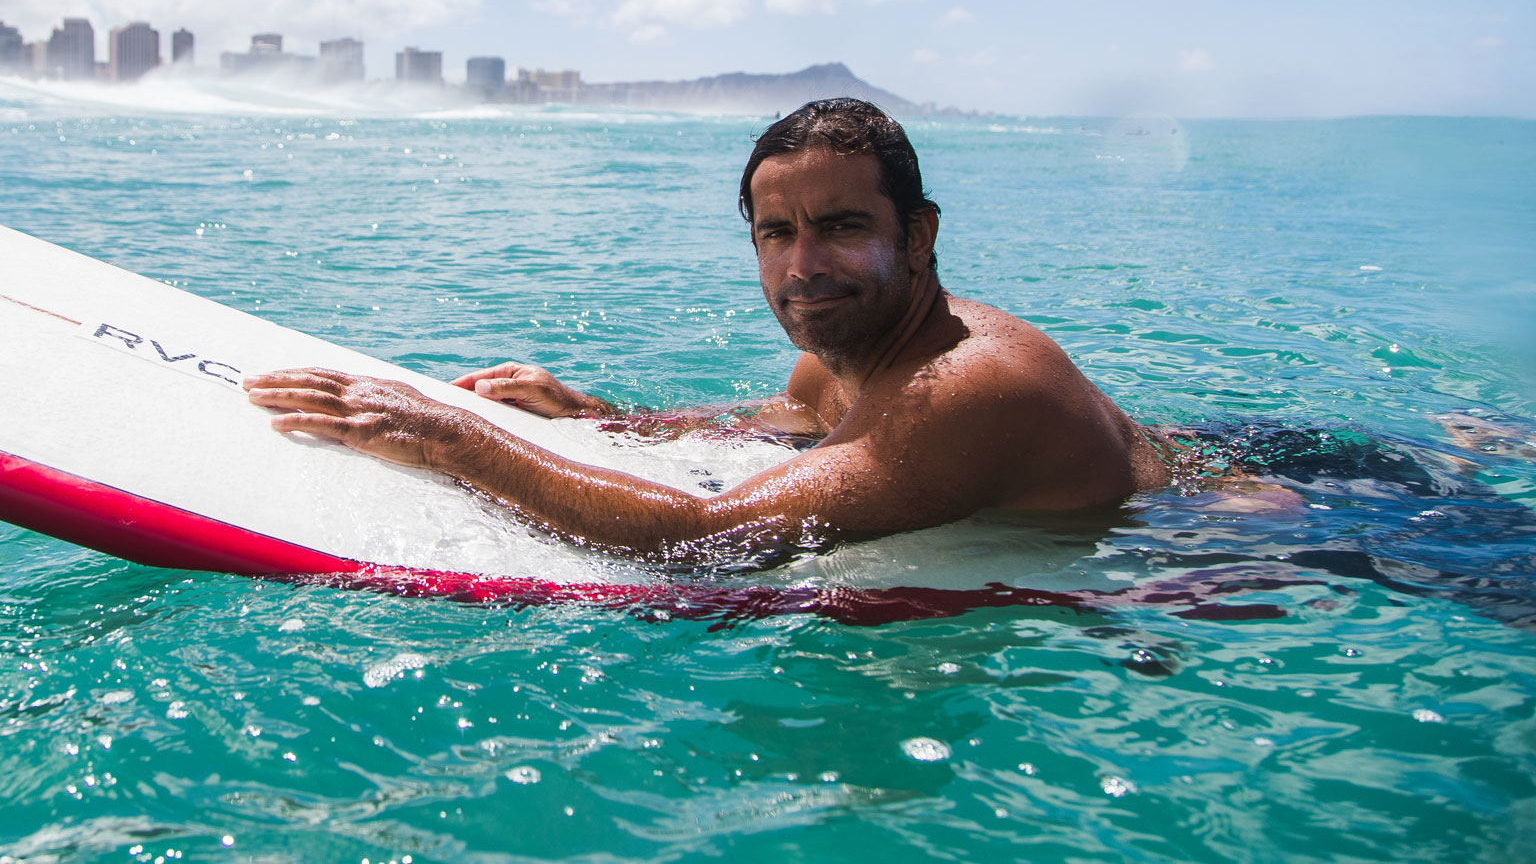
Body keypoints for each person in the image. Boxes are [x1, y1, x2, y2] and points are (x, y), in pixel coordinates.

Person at [244, 98, 1169, 564]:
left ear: (917, 234)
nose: (804, 265)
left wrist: (450, 434)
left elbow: (708, 537)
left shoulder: (972, 386)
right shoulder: (835, 361)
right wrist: (592, 416)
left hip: (1222, 554)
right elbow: (779, 422)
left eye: (842, 227)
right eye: (777, 233)